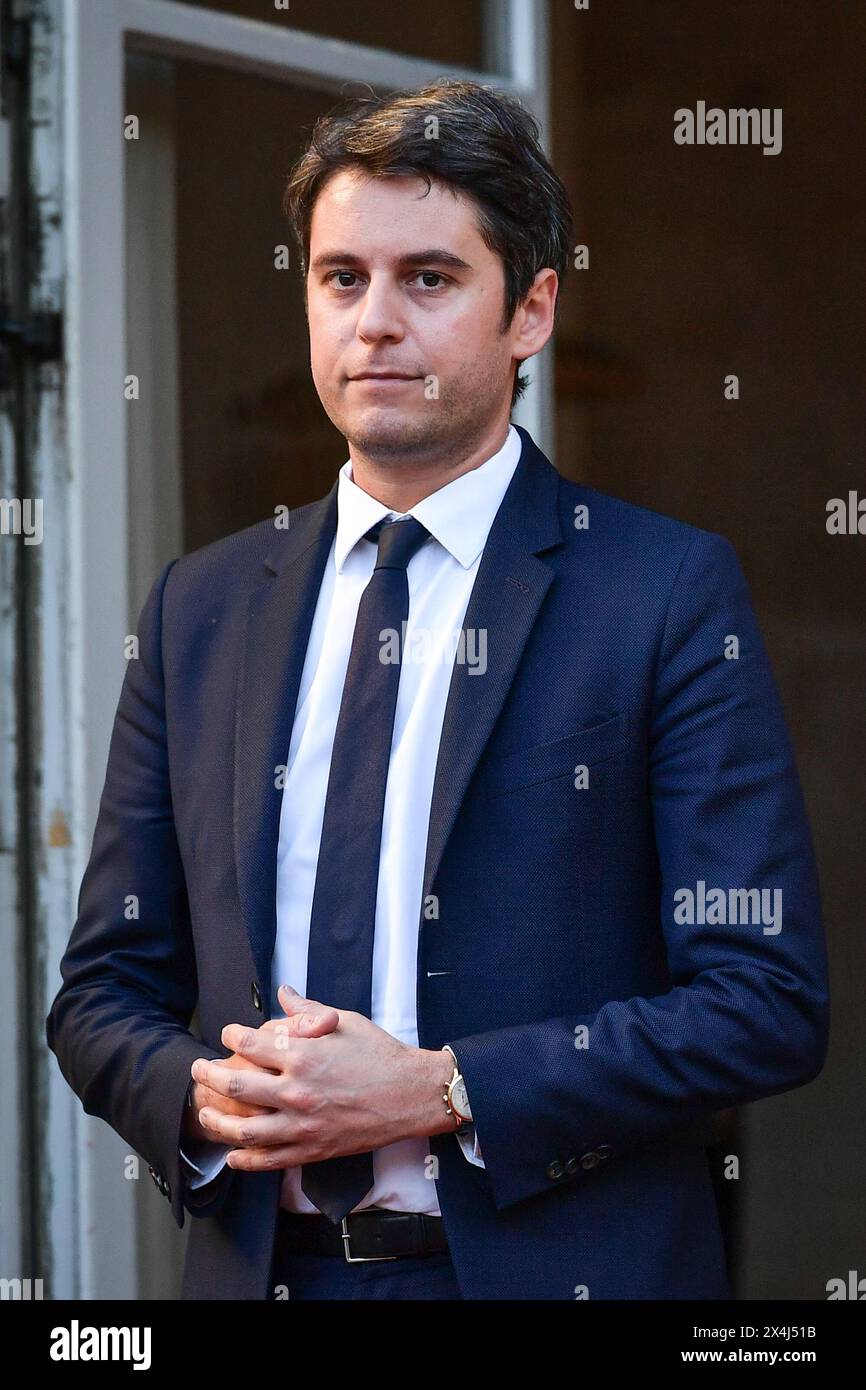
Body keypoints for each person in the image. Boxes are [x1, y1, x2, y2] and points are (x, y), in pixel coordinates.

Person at [45, 78, 829, 1301]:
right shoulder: (198, 609)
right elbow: (101, 989)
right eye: (339, 277)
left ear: (530, 310)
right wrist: (210, 1100)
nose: (373, 323)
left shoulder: (662, 591)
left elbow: (762, 999)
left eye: (428, 278)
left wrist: (440, 1086)